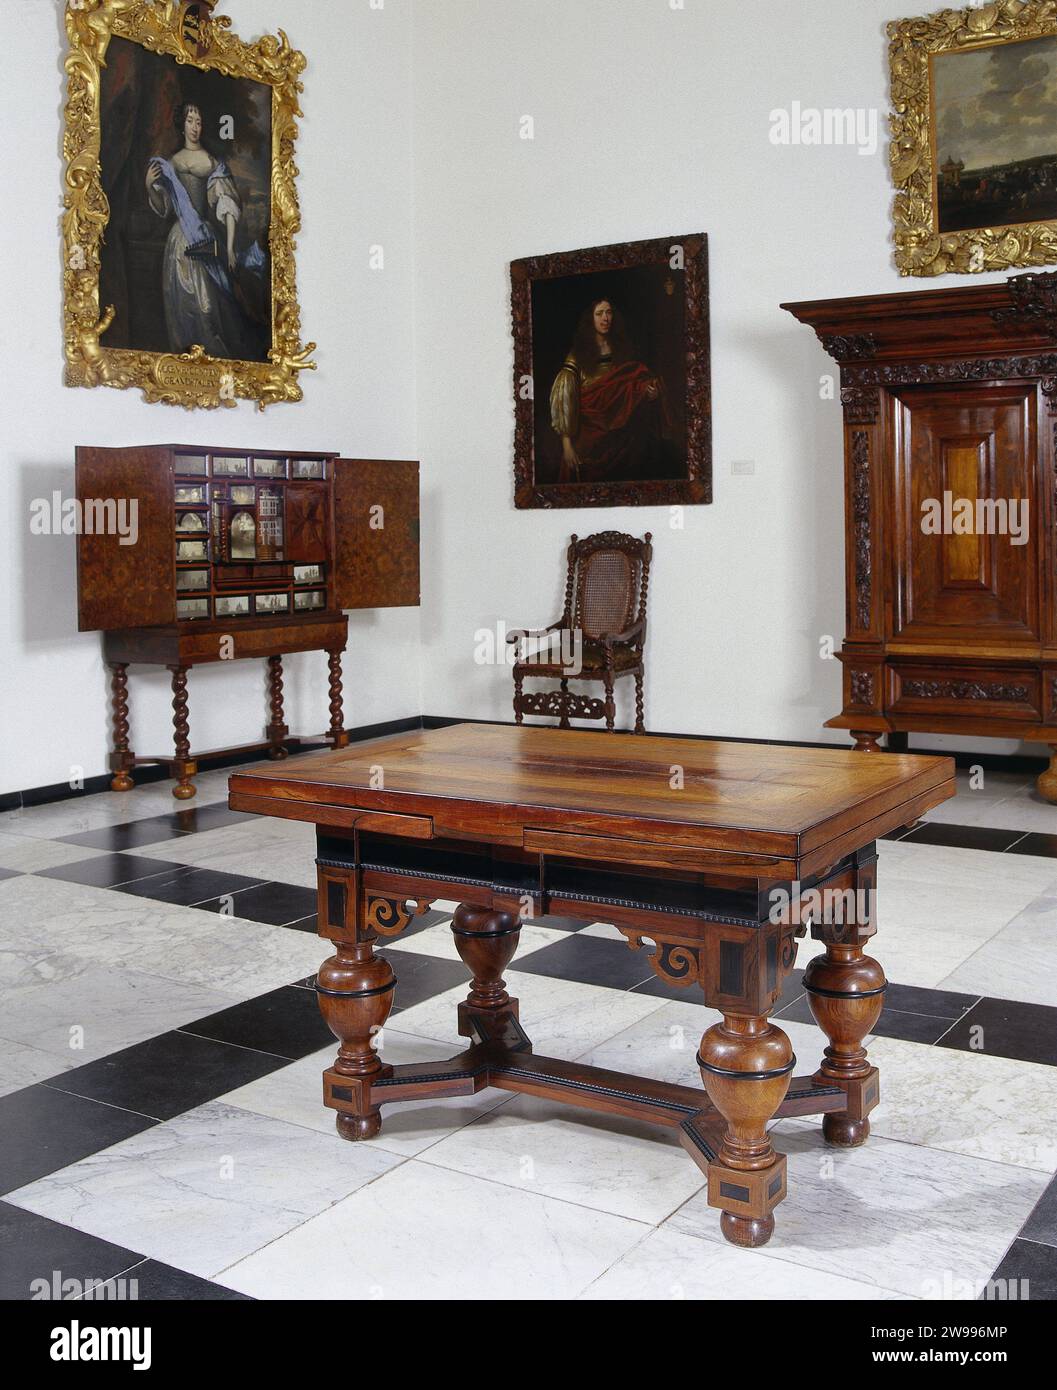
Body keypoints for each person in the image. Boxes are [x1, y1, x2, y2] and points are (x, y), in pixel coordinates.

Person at [145, 101, 263, 360]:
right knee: (183, 304)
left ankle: (214, 359)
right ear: (182, 124)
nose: (195, 127)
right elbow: (164, 208)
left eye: (198, 121)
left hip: (205, 240)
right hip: (179, 243)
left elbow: (227, 205)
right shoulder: (171, 163)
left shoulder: (211, 162)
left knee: (209, 308)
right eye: (190, 121)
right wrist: (149, 187)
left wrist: (230, 247)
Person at [549, 298, 667, 483]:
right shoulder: (577, 355)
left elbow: (630, 388)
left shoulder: (622, 349)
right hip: (590, 438)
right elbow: (565, 400)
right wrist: (566, 445)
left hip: (623, 438)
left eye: (609, 312)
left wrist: (650, 393)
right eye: (599, 313)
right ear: (590, 319)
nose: (605, 318)